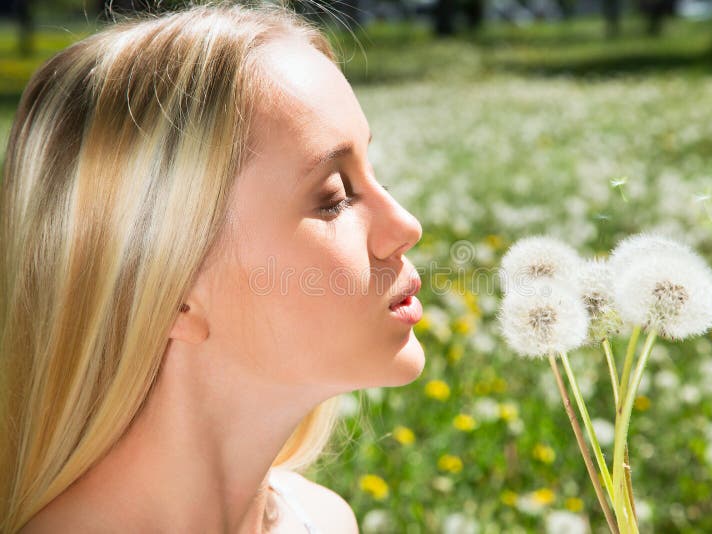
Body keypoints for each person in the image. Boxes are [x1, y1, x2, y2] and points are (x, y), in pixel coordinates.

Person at [0, 3, 425, 533]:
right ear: (170, 288)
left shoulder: (324, 521)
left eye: (372, 172)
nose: (406, 225)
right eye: (334, 197)